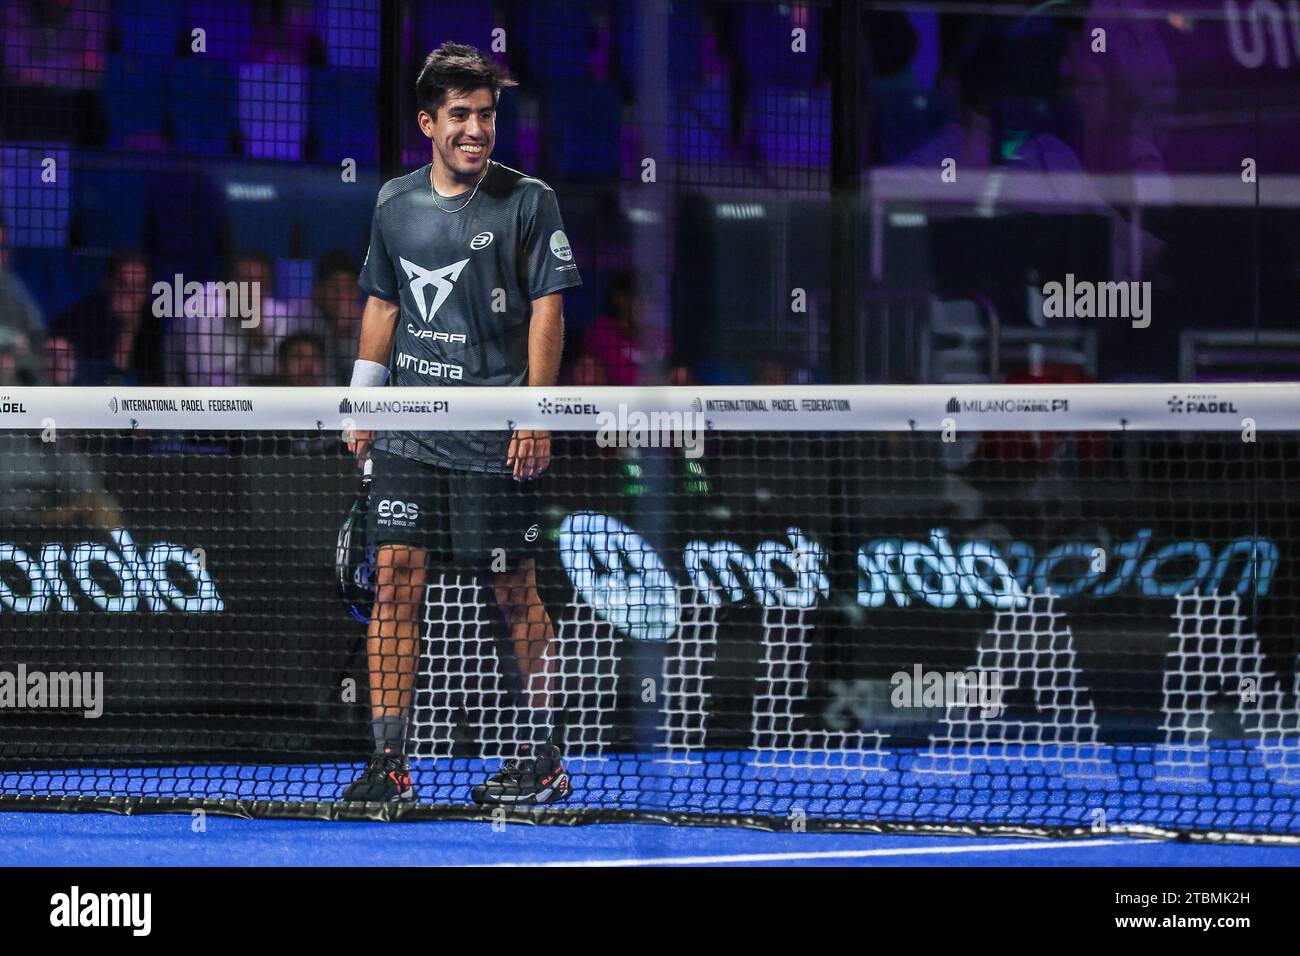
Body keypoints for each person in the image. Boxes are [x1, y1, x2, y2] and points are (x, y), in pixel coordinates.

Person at [342, 43, 581, 805]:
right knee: (393, 582)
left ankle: (542, 759)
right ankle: (390, 766)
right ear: (427, 123)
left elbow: (549, 308)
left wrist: (535, 412)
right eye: (460, 115)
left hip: (493, 435)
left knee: (515, 590)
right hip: (409, 423)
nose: (476, 129)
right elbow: (383, 303)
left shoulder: (530, 200)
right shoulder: (393, 204)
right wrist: (363, 400)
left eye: (486, 115)